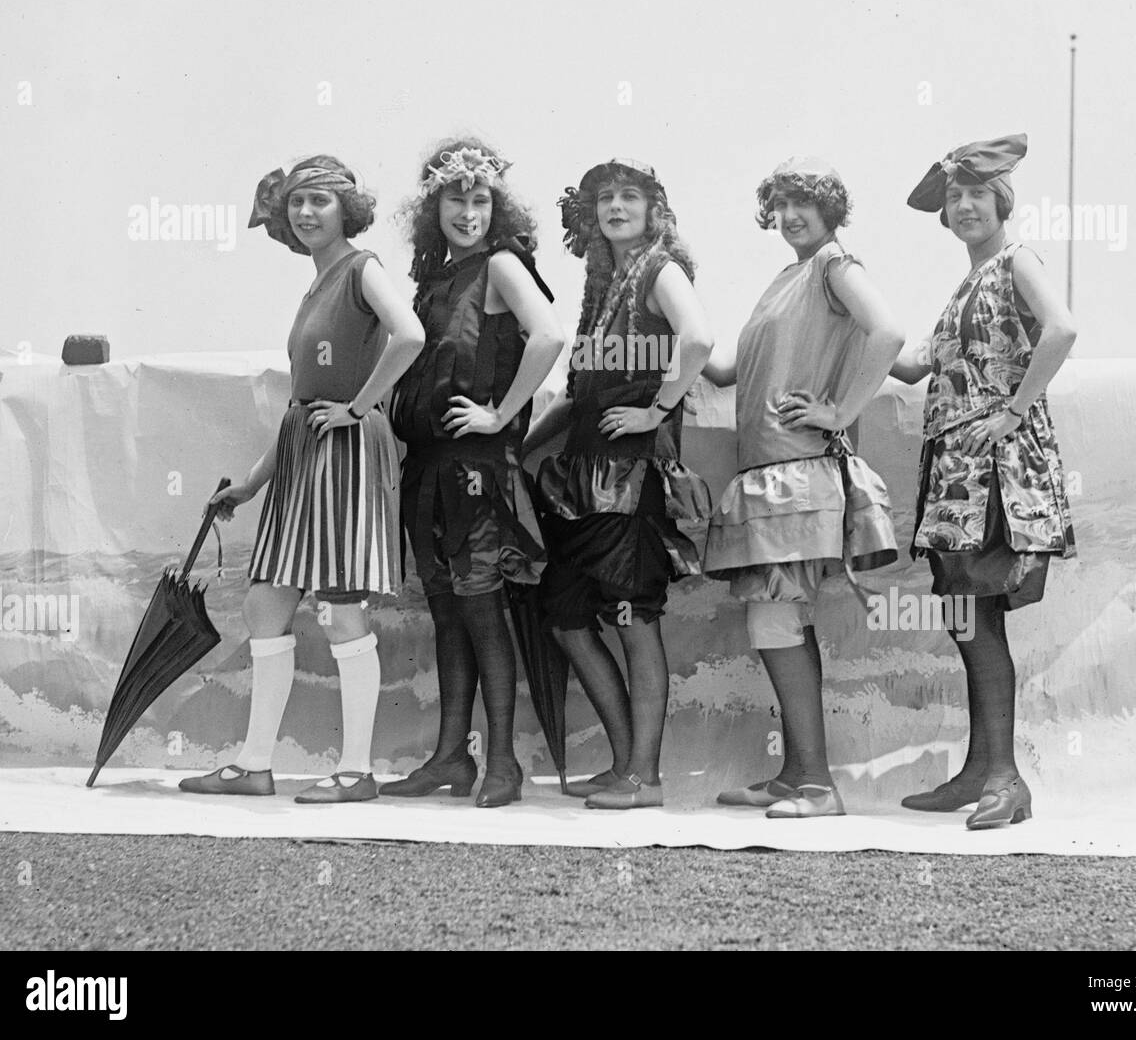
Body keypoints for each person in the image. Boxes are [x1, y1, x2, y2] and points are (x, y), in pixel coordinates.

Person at [180, 155, 424, 803]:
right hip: (301, 456)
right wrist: (253, 483)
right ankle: (254, 763)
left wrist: (360, 406)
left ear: (346, 206)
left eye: (319, 200)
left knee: (342, 607)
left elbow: (410, 335)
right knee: (266, 600)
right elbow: (300, 404)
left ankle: (355, 770)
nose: (307, 212)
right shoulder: (316, 284)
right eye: (297, 204)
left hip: (344, 454)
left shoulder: (360, 268)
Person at [703, 157, 904, 818]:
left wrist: (839, 412)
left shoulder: (834, 266)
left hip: (798, 473)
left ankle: (818, 784)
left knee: (775, 615)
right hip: (766, 474)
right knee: (777, 615)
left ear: (830, 210)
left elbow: (889, 333)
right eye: (782, 204)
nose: (791, 215)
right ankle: (797, 774)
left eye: (804, 204)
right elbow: (728, 369)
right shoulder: (787, 277)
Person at [890, 134, 1077, 829]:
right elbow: (911, 364)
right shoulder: (965, 285)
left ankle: (1007, 778)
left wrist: (1014, 411)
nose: (964, 206)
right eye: (954, 198)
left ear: (1001, 201)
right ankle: (978, 770)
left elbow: (1061, 328)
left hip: (996, 470)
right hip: (955, 475)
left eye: (976, 194)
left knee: (981, 619)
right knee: (968, 620)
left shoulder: (1014, 259)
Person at [524, 159, 713, 810]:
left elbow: (700, 338)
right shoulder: (602, 287)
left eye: (630, 195)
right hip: (579, 485)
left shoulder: (659, 270)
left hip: (630, 483)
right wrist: (512, 445)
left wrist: (657, 408)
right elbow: (577, 397)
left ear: (653, 208)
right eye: (605, 197)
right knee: (566, 618)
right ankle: (626, 761)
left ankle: (646, 776)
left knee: (635, 622)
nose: (615, 206)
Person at [383, 140, 564, 808]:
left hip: (478, 472)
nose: (468, 210)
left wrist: (499, 414)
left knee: (485, 615)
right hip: (429, 468)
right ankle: (450, 756)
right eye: (455, 198)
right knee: (447, 615)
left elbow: (547, 335)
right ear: (434, 208)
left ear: (497, 206)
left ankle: (505, 763)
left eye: (480, 198)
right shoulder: (433, 282)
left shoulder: (501, 265)